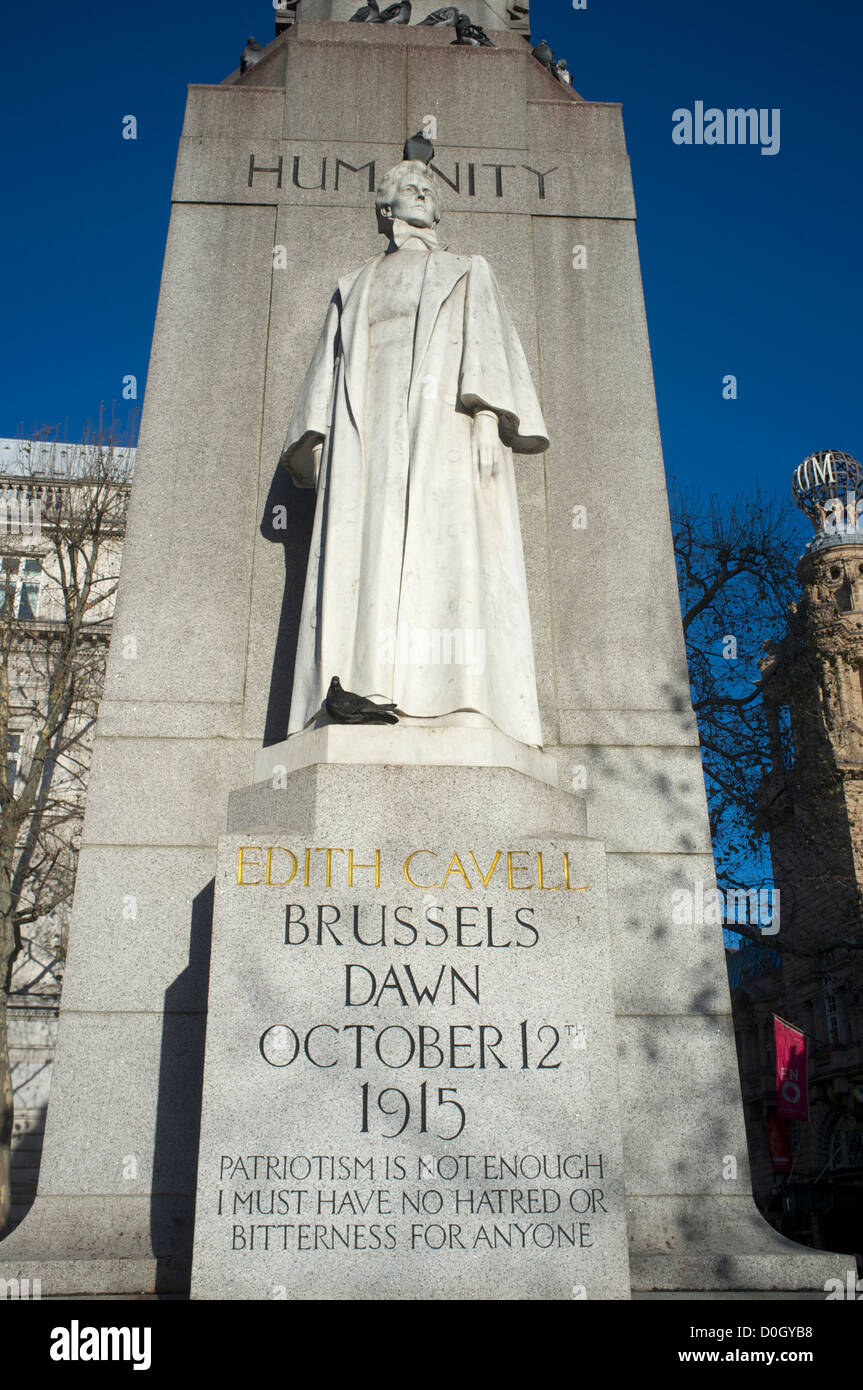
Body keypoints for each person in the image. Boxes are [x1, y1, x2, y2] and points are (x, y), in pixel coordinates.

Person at [279, 157, 549, 746]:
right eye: (408, 188)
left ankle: (463, 698)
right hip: (368, 434)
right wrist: (320, 445)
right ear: (386, 208)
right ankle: (362, 689)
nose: (422, 193)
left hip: (444, 425)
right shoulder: (355, 285)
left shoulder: (468, 270)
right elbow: (330, 369)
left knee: (450, 556)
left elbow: (486, 348)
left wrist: (486, 419)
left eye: (428, 187)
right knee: (366, 557)